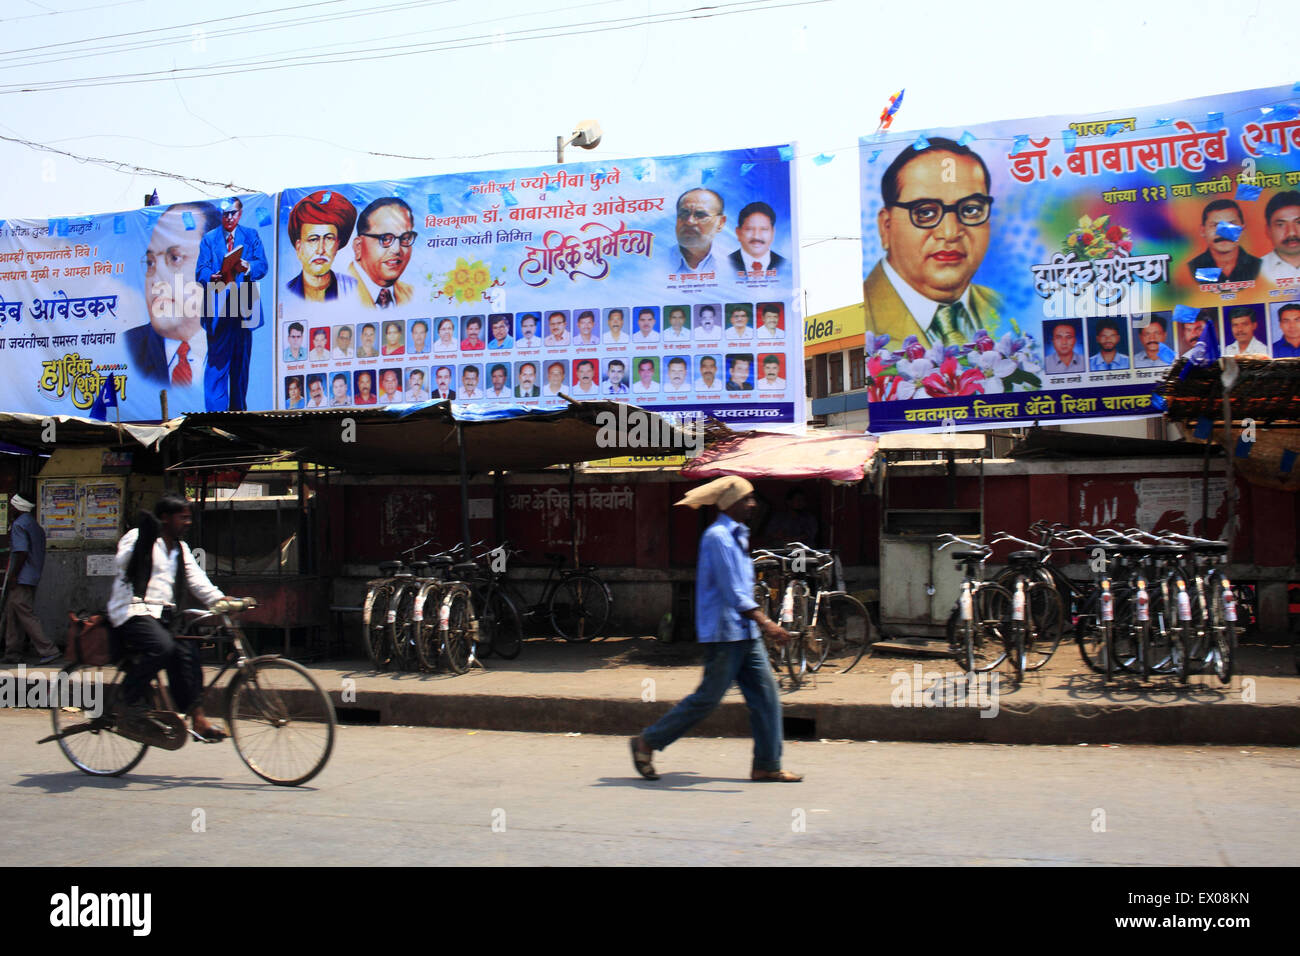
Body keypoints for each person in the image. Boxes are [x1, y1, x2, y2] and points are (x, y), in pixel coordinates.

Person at [629, 477, 800, 783]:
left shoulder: (737, 535)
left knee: (767, 695)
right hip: (725, 633)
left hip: (744, 632)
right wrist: (767, 623)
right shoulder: (717, 538)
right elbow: (734, 591)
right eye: (747, 499)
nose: (753, 504)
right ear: (730, 504)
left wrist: (757, 624)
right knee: (708, 698)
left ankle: (767, 764)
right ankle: (647, 741)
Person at [108, 496, 228, 741]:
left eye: (188, 517)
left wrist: (222, 602)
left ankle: (198, 719)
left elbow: (197, 580)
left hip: (165, 614)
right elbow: (122, 562)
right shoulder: (137, 536)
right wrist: (145, 538)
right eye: (182, 517)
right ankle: (128, 703)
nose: (188, 522)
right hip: (134, 610)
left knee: (189, 657)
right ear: (165, 518)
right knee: (162, 648)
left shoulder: (180, 548)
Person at [864, 137, 1002, 348]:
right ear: (886, 226)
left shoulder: (1003, 309)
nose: (950, 233)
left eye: (971, 209)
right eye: (925, 212)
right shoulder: (867, 322)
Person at [127, 201, 219, 391]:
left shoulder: (246, 348)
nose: (156, 277)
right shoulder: (127, 350)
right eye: (151, 262)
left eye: (175, 258)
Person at [197, 196, 267, 412]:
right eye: (225, 213)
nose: (228, 217)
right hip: (218, 313)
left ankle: (238, 416)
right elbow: (201, 270)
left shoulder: (251, 235)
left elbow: (262, 265)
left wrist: (247, 266)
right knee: (217, 367)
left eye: (232, 213)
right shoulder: (209, 239)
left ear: (240, 214)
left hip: (244, 311)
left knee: (240, 367)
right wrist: (212, 277)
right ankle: (215, 417)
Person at [2, 494, 59, 665]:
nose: (10, 510)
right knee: (13, 613)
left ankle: (49, 649)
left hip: (21, 577)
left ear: (17, 507)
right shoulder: (34, 525)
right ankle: (13, 652)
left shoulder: (19, 525)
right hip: (32, 576)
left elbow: (22, 552)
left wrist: (13, 576)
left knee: (24, 613)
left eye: (12, 507)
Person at [284, 189, 358, 302]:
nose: (320, 250)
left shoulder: (354, 290)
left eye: (329, 238)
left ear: (338, 244)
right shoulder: (286, 293)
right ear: (299, 247)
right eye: (313, 239)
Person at [349, 197, 417, 308]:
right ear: (358, 247)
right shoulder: (335, 293)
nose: (396, 249)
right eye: (385, 239)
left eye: (405, 238)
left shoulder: (411, 294)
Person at [1186, 198, 1261, 283]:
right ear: (1203, 231)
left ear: (1243, 229)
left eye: (1231, 224)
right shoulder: (1190, 270)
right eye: (1215, 225)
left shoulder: (1260, 267)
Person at [671, 188, 726, 273]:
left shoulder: (733, 265)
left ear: (720, 223)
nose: (690, 222)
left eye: (700, 215)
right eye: (684, 214)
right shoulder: (654, 263)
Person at [728, 201, 786, 276]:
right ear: (738, 232)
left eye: (764, 229)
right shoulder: (725, 263)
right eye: (749, 229)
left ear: (773, 232)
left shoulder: (785, 265)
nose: (756, 236)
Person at [1261, 190, 1300, 285]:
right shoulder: (1253, 271)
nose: (1291, 232)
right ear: (1268, 230)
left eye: (1299, 222)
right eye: (1280, 225)